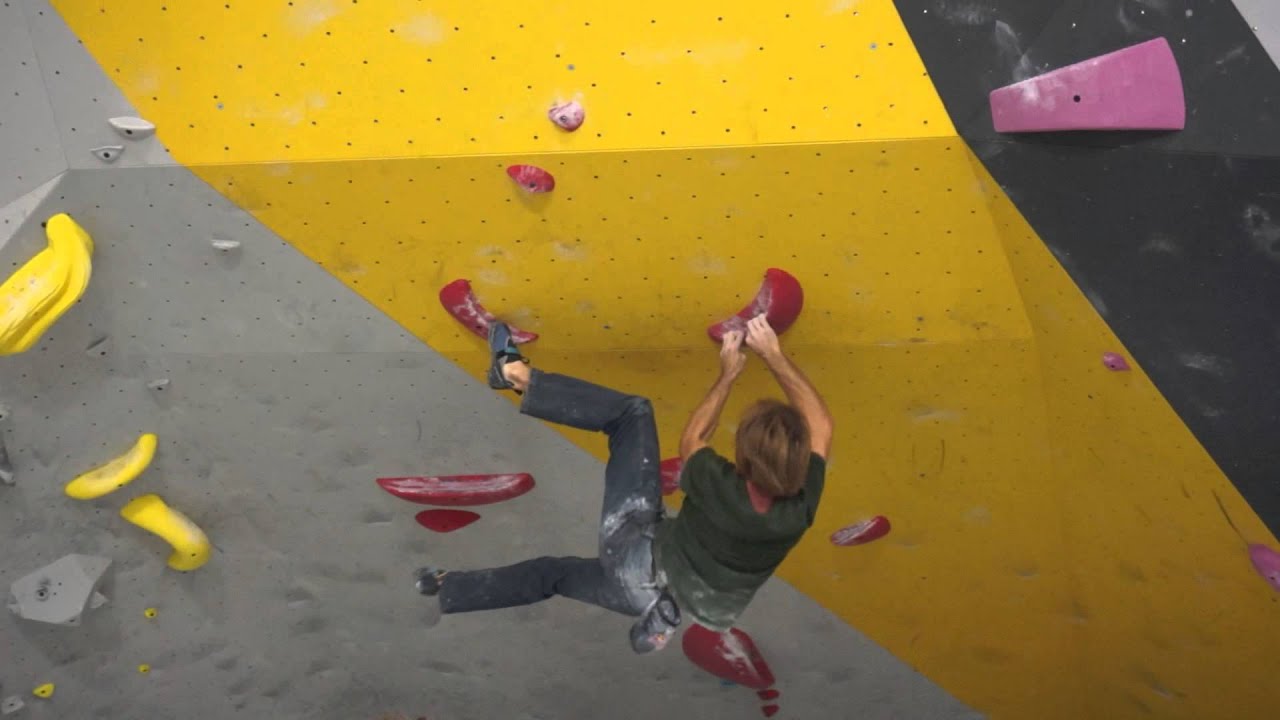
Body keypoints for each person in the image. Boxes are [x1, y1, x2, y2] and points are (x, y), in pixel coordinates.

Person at [415, 314, 831, 650]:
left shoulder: (718, 481)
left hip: (637, 552)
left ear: (742, 458)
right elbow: (821, 429)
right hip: (649, 597)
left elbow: (694, 439)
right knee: (552, 575)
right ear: (798, 469)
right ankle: (447, 587)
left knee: (631, 415)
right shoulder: (798, 509)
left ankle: (516, 375)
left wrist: (738, 369)